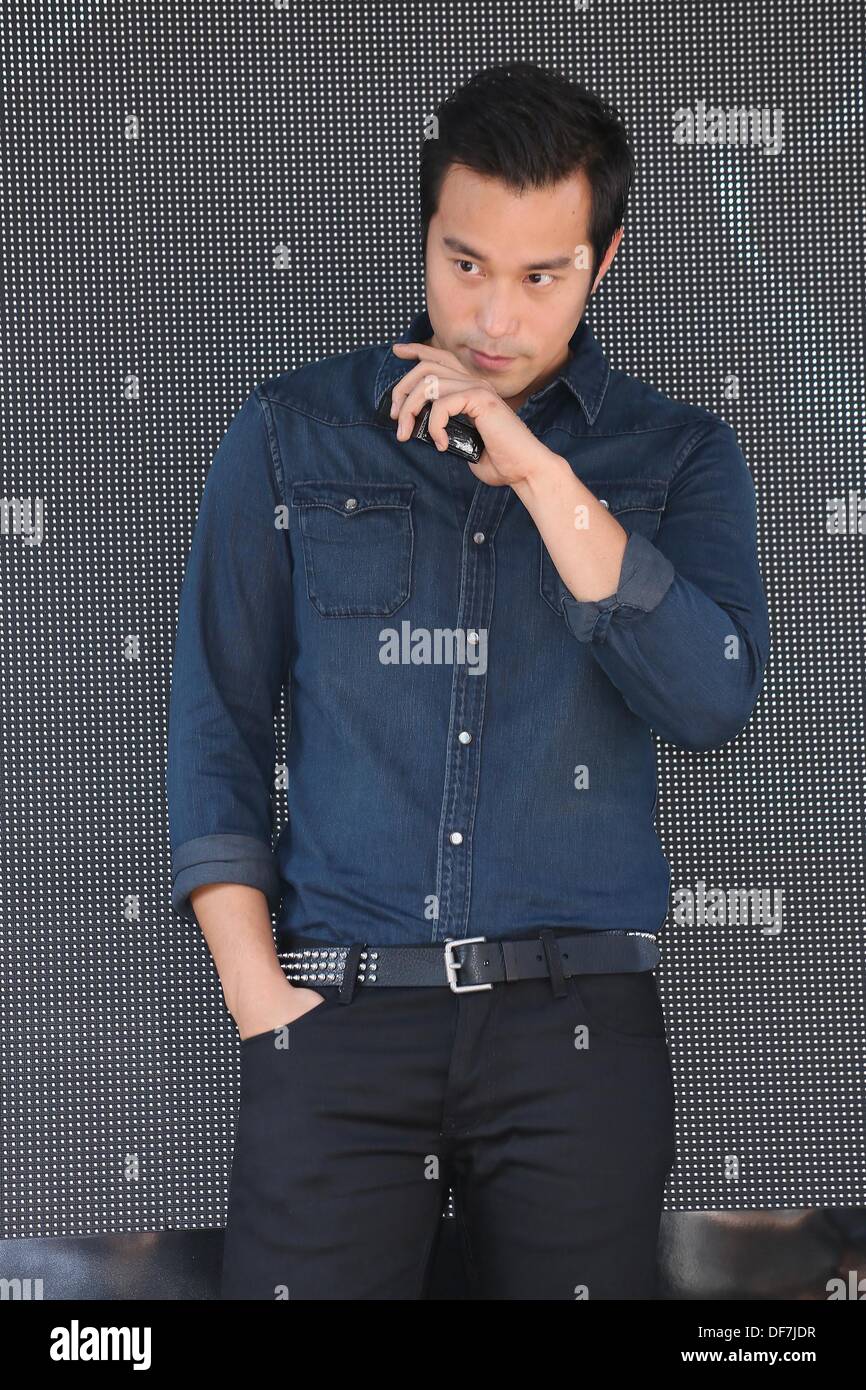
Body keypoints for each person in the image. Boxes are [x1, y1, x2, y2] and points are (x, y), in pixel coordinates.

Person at [166, 61, 770, 1300]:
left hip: (575, 1030)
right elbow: (216, 718)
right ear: (426, 233)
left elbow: (711, 699)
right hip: (337, 1021)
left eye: (538, 276)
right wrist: (256, 995)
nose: (491, 316)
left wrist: (543, 475)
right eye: (463, 263)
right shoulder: (293, 431)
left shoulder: (679, 455)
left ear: (602, 265)